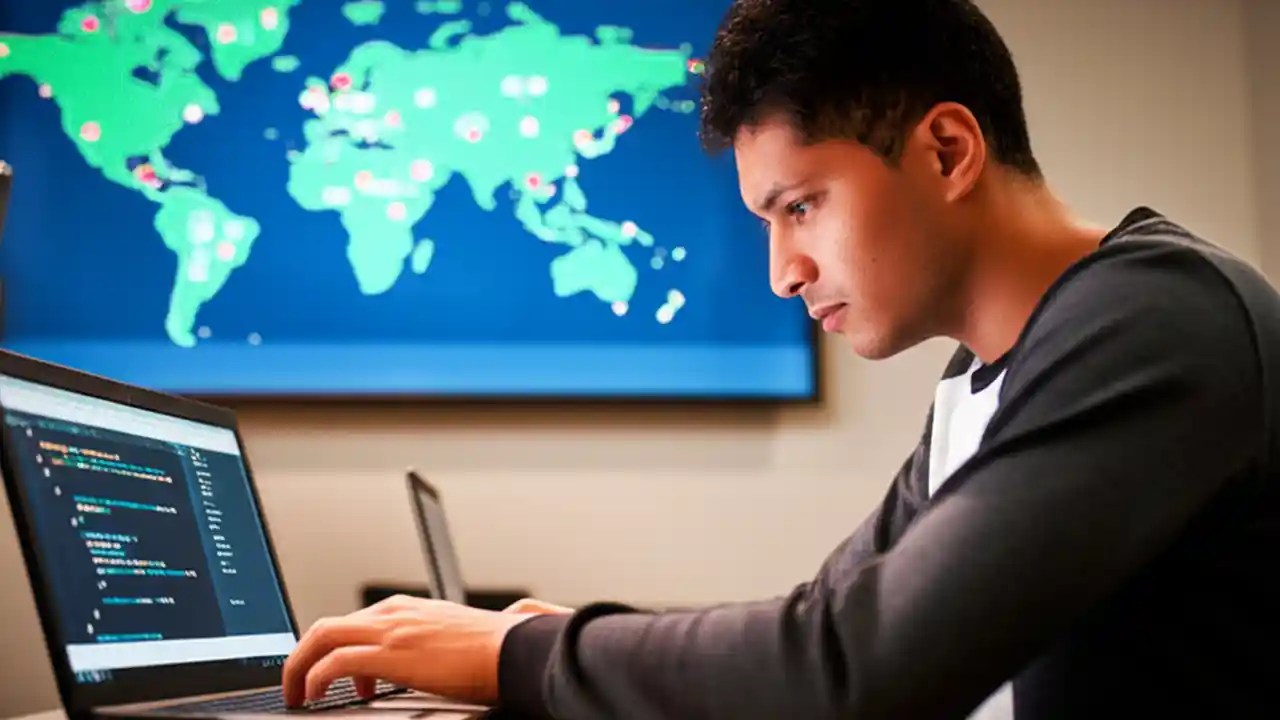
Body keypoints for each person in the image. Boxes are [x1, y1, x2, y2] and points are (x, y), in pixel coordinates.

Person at [281, 0, 1280, 717]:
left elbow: (857, 669)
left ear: (943, 151)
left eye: (798, 207)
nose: (781, 271)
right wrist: (570, 635)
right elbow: (828, 616)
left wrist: (526, 656)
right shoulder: (991, 375)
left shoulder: (1156, 318)